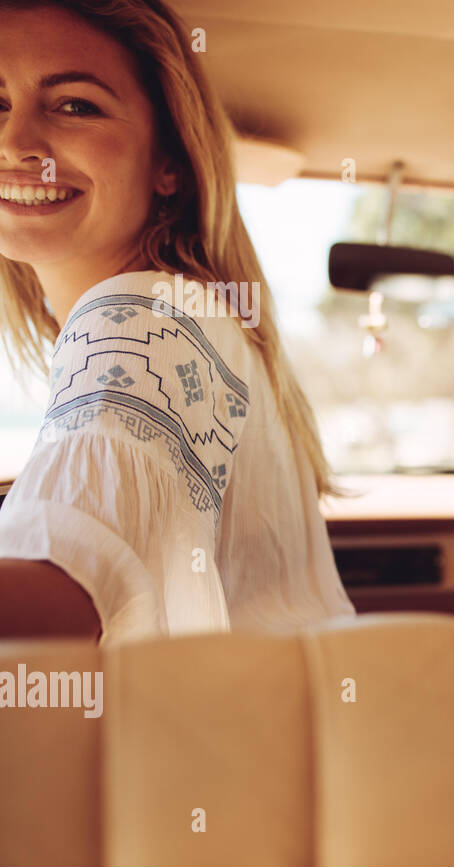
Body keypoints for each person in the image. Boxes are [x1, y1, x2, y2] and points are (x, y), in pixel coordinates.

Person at [0, 0, 354, 643]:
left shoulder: (144, 323)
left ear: (169, 164)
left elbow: (63, 591)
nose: (16, 142)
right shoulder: (194, 317)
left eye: (75, 105)